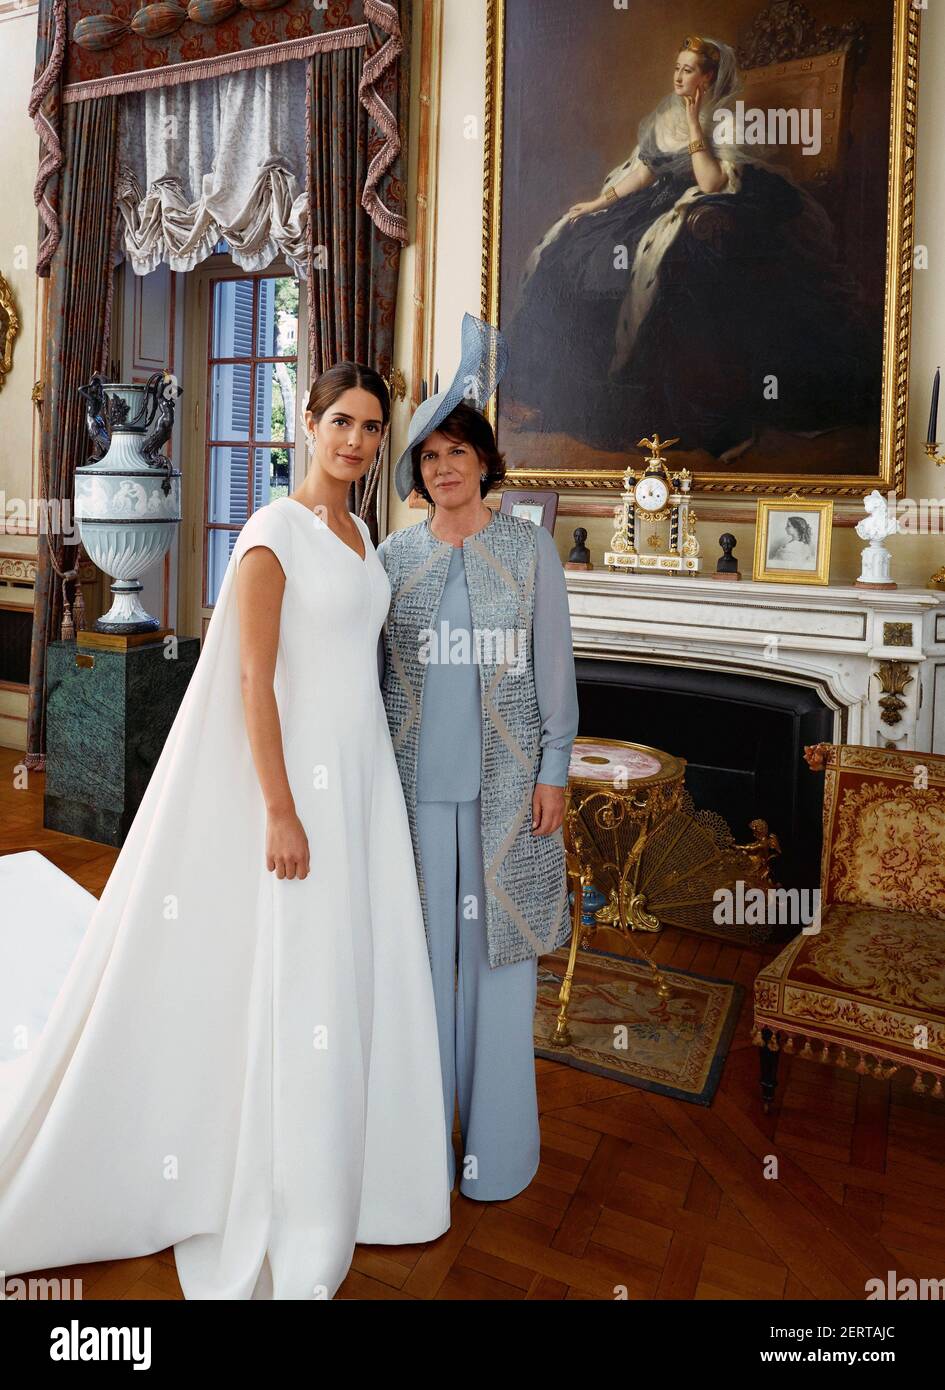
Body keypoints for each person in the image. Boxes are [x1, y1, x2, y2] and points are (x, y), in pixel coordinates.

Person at [0, 363, 450, 1300]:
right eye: (340, 421)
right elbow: (251, 681)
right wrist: (281, 810)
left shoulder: (362, 533)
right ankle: (289, 1174)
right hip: (298, 788)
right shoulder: (271, 535)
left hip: (358, 779)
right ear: (307, 423)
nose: (356, 441)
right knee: (307, 969)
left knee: (354, 963)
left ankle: (365, 1167)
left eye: (371, 427)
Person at [377, 314, 579, 1202]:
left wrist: (555, 768)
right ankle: (418, 1149)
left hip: (507, 793)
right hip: (413, 789)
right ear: (415, 472)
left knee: (501, 969)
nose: (443, 467)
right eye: (428, 457)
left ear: (484, 460)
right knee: (420, 969)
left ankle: (494, 1154)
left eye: (457, 451)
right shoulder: (393, 557)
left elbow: (554, 666)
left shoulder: (528, 548)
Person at [504, 35, 876, 457]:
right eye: (676, 67)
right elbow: (644, 171)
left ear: (708, 77)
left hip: (711, 203)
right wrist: (598, 202)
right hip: (656, 201)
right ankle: (571, 397)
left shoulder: (729, 117)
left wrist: (697, 123)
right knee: (574, 243)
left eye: (687, 69)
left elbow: (713, 183)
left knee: (670, 260)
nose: (677, 75)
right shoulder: (665, 113)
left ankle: (682, 411)